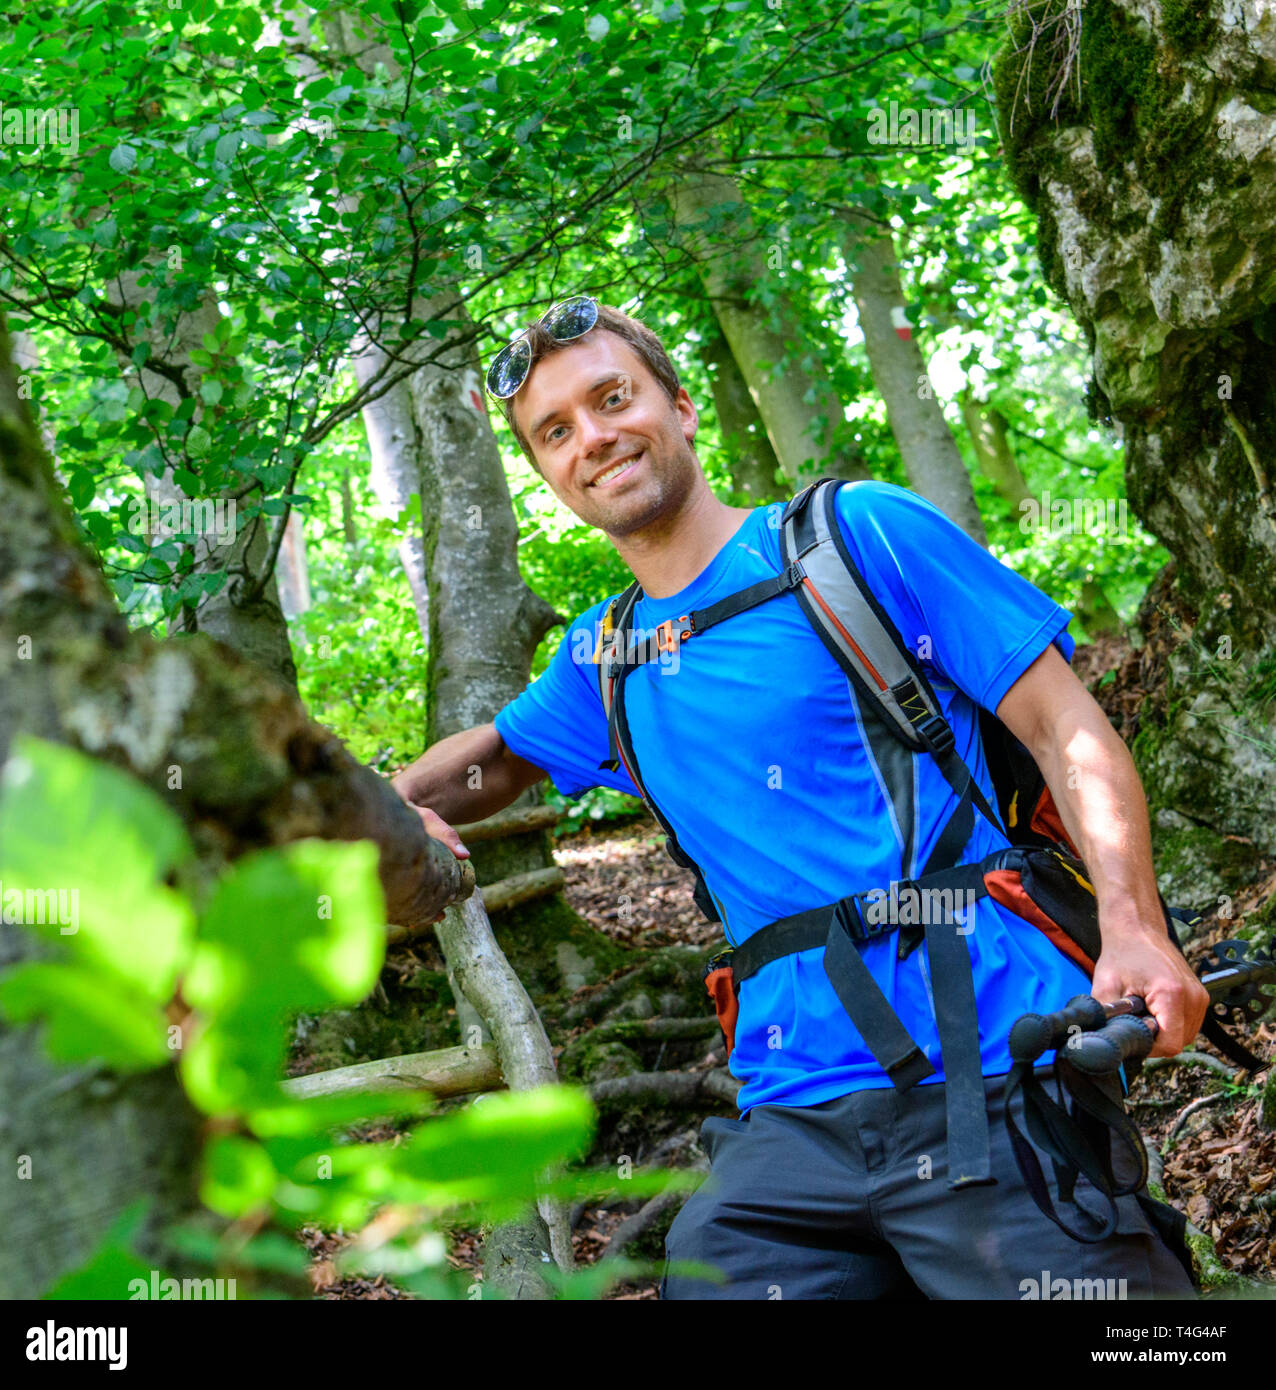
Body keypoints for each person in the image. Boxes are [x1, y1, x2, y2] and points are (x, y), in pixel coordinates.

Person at [391, 295, 1208, 1299]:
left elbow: (1064, 727)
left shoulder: (853, 536)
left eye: (612, 398)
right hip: (786, 1118)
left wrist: (1135, 928)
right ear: (547, 474)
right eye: (555, 431)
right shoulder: (606, 656)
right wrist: (384, 811)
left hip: (994, 1064)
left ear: (682, 406)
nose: (592, 438)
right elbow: (497, 760)